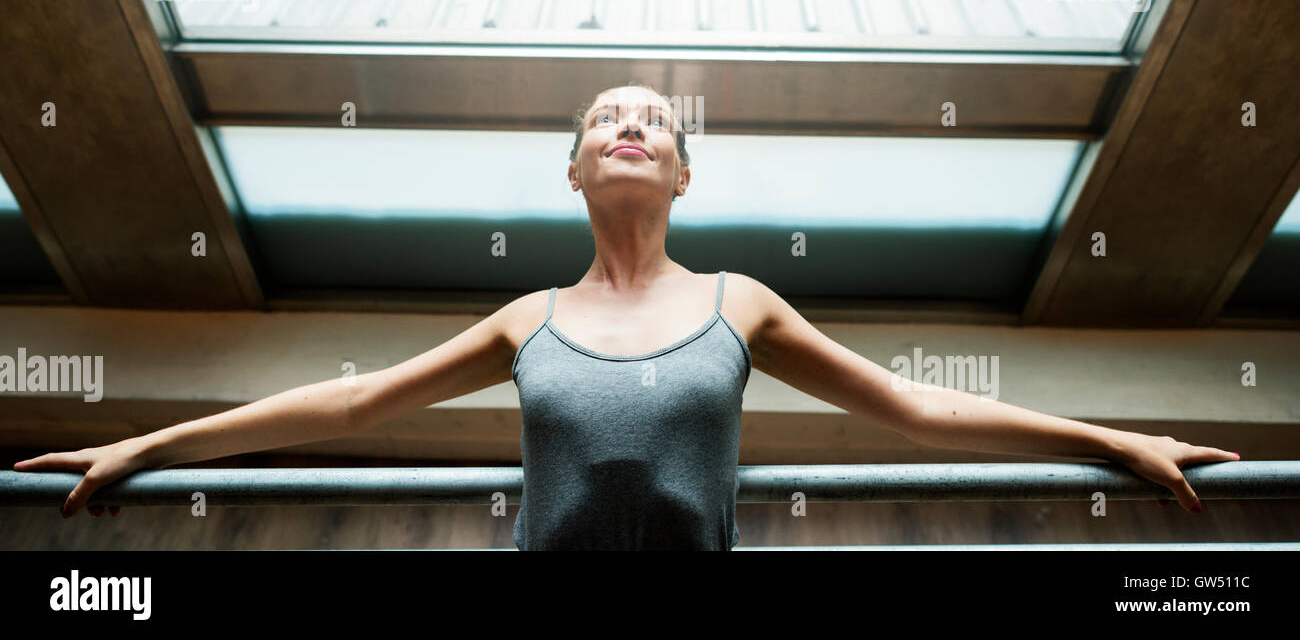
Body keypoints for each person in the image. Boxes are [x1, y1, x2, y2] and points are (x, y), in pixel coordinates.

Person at [13, 82, 1239, 546]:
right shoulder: (524, 319)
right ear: (574, 168)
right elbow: (342, 399)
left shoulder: (738, 303)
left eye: (653, 119)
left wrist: (1112, 441)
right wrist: (147, 445)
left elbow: (917, 404)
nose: (629, 128)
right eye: (603, 118)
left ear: (683, 172)